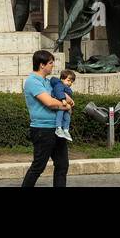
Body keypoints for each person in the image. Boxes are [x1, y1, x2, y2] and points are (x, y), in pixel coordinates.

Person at [22, 49, 73, 188]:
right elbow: (49, 102)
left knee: (62, 165)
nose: (53, 66)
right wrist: (66, 107)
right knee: (39, 166)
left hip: (57, 129)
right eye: (50, 63)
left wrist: (66, 99)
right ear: (41, 65)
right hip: (42, 130)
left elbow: (61, 93)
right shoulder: (32, 82)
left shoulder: (49, 82)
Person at [50, 68, 76, 141]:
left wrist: (71, 101)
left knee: (67, 117)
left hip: (66, 105)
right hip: (60, 102)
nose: (70, 83)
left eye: (71, 81)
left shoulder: (66, 87)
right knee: (60, 114)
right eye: (68, 80)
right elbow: (58, 91)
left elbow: (69, 96)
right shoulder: (59, 84)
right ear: (62, 79)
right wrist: (63, 99)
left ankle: (66, 129)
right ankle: (58, 128)